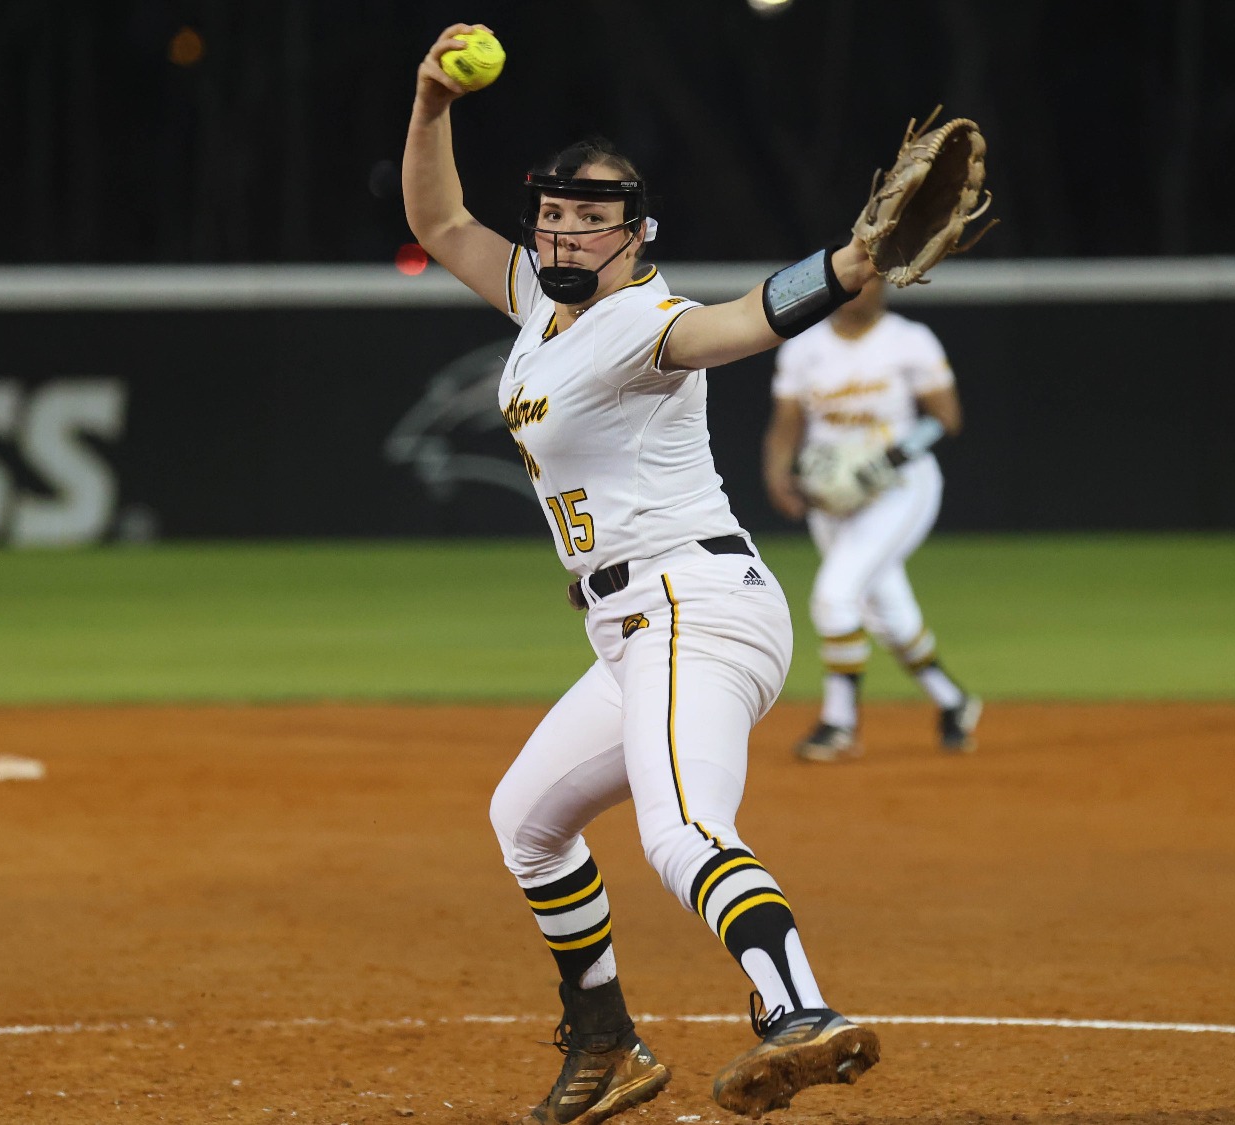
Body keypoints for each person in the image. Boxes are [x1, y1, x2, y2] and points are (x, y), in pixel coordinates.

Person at [404, 23, 888, 1125]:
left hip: (691, 604)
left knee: (681, 830)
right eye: (553, 214)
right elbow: (438, 222)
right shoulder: (540, 306)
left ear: (634, 234)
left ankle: (800, 1011)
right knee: (527, 822)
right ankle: (605, 1044)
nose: (565, 231)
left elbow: (739, 323)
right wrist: (431, 102)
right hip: (630, 626)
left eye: (591, 217)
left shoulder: (640, 320)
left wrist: (844, 268)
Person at [762, 278, 982, 763]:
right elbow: (787, 423)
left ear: (883, 286)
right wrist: (777, 475)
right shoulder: (804, 347)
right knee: (885, 612)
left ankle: (839, 722)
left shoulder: (909, 340)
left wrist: (891, 459)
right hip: (831, 498)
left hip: (899, 488)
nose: (858, 290)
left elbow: (946, 417)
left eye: (867, 281)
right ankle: (953, 700)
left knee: (835, 595)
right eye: (850, 281)